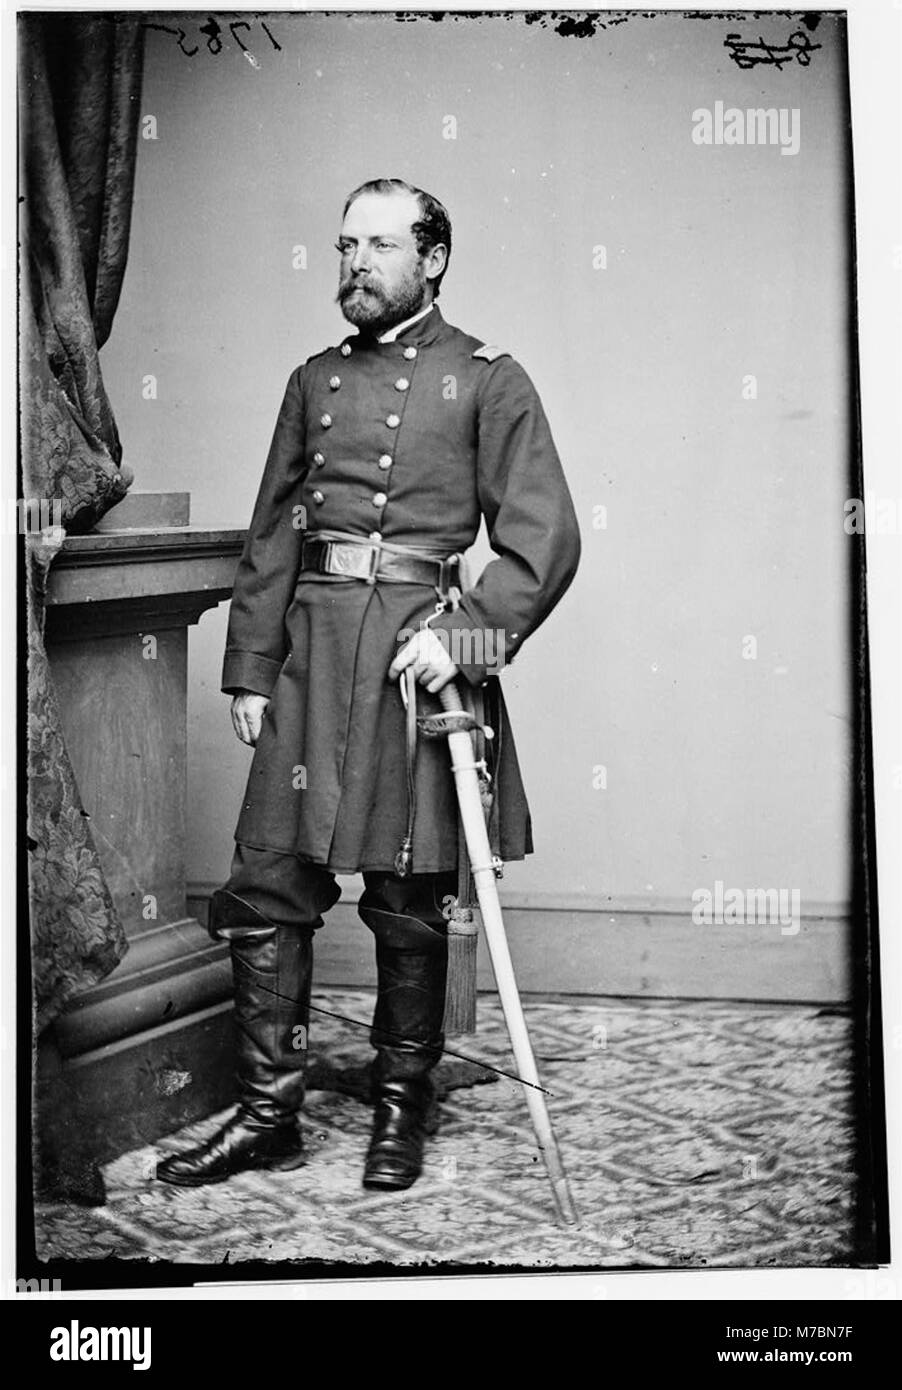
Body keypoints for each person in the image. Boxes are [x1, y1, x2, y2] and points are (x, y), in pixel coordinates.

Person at [157, 178, 581, 1192]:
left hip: (413, 655)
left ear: (431, 258)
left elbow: (543, 536)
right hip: (310, 653)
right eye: (345, 244)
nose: (354, 263)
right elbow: (272, 531)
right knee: (266, 885)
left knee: (407, 894)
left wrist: (469, 636)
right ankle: (269, 1113)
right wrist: (252, 667)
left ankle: (402, 1105)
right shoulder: (311, 380)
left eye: (379, 246)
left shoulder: (487, 379)